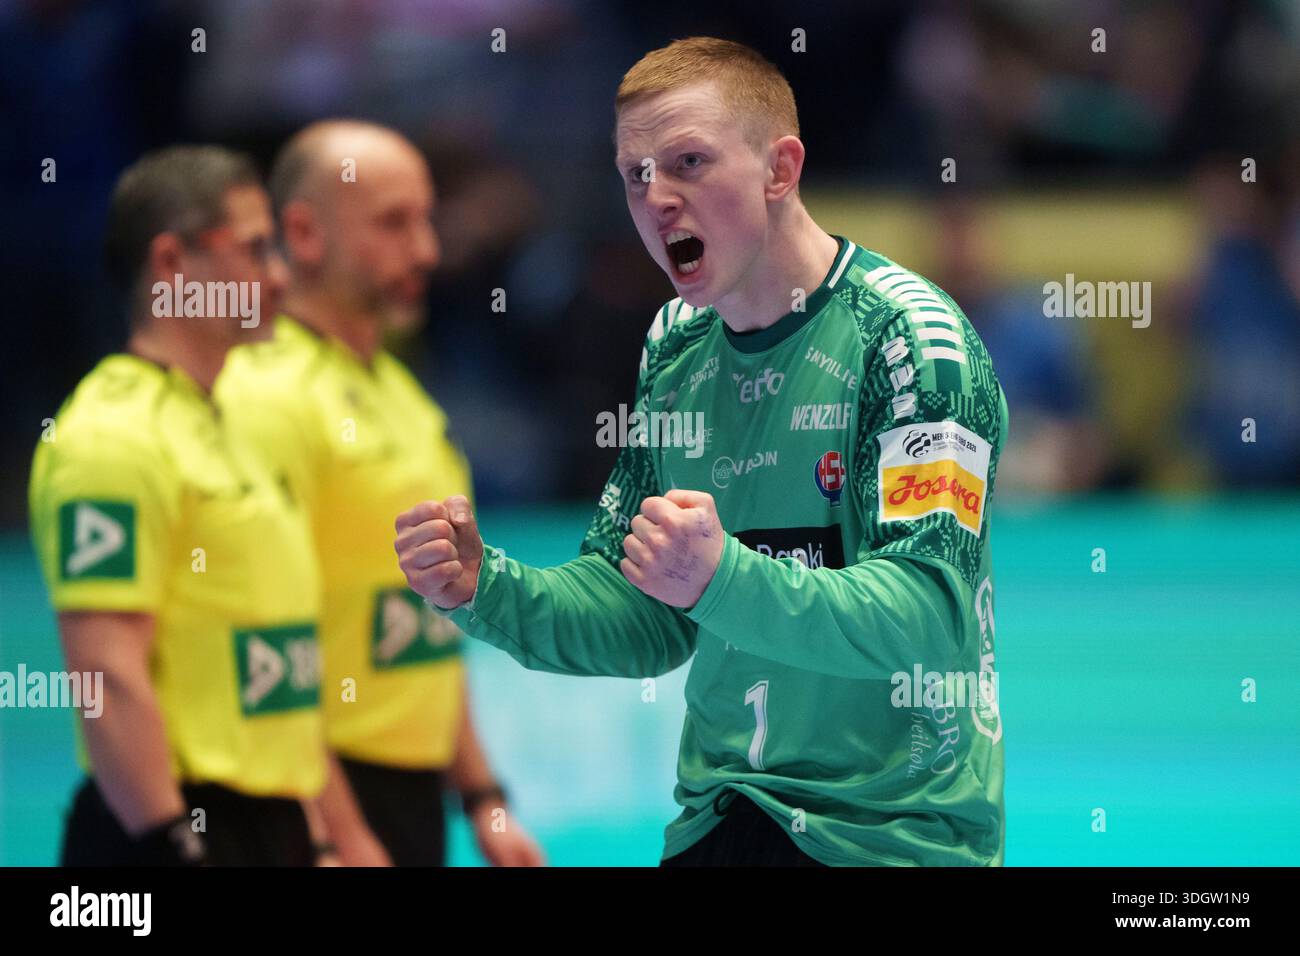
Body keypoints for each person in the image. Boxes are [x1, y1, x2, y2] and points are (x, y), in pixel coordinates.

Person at [396, 37, 1009, 866]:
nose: (658, 199)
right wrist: (486, 589)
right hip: (722, 815)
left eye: (688, 161)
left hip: (887, 833)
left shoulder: (909, 341)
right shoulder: (677, 346)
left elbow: (926, 619)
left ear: (779, 169)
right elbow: (644, 613)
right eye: (635, 175)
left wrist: (723, 576)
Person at [217, 121, 543, 867]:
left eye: (427, 219)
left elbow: (435, 620)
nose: (427, 250)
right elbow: (257, 649)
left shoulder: (403, 395)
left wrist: (484, 800)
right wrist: (338, 835)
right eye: (394, 223)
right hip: (310, 801)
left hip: (410, 796)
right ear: (301, 232)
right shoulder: (263, 398)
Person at [30, 146, 330, 865]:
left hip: (271, 824)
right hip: (173, 826)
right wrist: (173, 845)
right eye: (257, 250)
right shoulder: (111, 437)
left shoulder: (230, 425)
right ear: (172, 264)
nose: (280, 278)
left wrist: (315, 839)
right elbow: (106, 674)